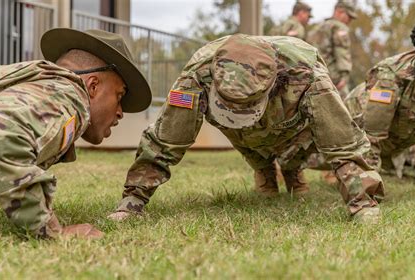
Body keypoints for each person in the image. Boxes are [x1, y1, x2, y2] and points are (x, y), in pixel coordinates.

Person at [107, 34, 384, 224]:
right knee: (248, 140)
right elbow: (165, 142)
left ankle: (292, 171)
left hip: (289, 118)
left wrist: (363, 205)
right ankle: (264, 171)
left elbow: (343, 144)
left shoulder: (309, 77)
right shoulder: (194, 78)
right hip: (243, 137)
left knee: (296, 144)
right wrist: (133, 201)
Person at [0, 28, 152, 238]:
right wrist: (50, 230)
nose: (120, 112)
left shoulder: (31, 80)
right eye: (119, 95)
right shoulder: (69, 93)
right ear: (93, 87)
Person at [341, 14, 415, 187]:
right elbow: (370, 137)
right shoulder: (392, 75)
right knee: (295, 156)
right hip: (347, 136)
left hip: (395, 143)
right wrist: (367, 190)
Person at [307, 0, 356, 99]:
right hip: (332, 76)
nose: (350, 20)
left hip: (312, 75)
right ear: (339, 12)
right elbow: (342, 52)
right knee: (345, 106)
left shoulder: (319, 27)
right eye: (349, 16)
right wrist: (344, 76)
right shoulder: (339, 27)